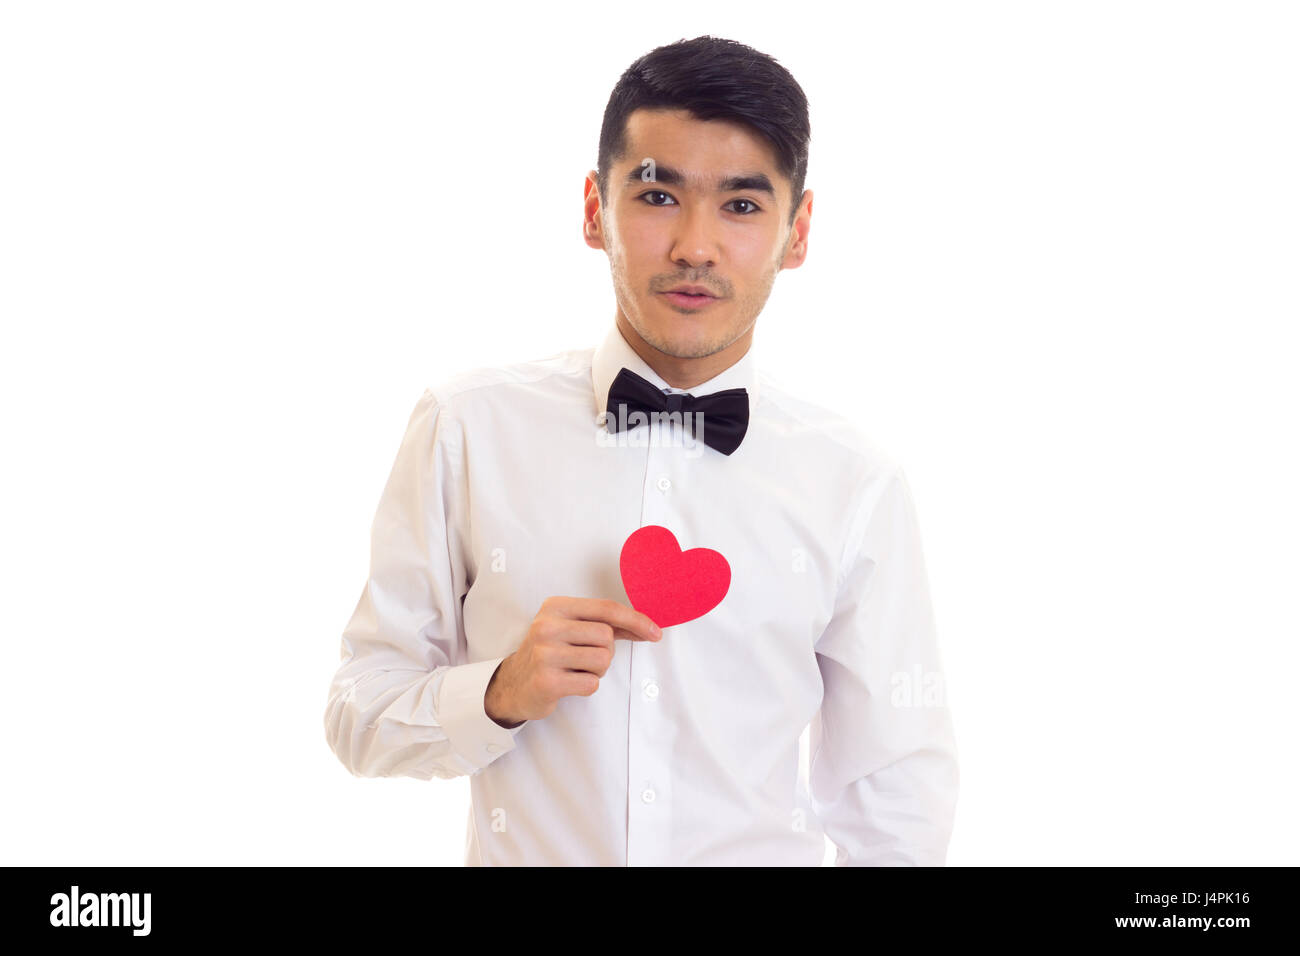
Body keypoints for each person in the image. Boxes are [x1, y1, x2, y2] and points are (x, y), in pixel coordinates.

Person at [323, 34, 959, 866]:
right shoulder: (465, 428)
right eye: (658, 197)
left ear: (796, 232)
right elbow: (358, 718)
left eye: (741, 205)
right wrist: (499, 693)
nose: (695, 246)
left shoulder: (856, 481)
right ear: (595, 211)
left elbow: (896, 800)